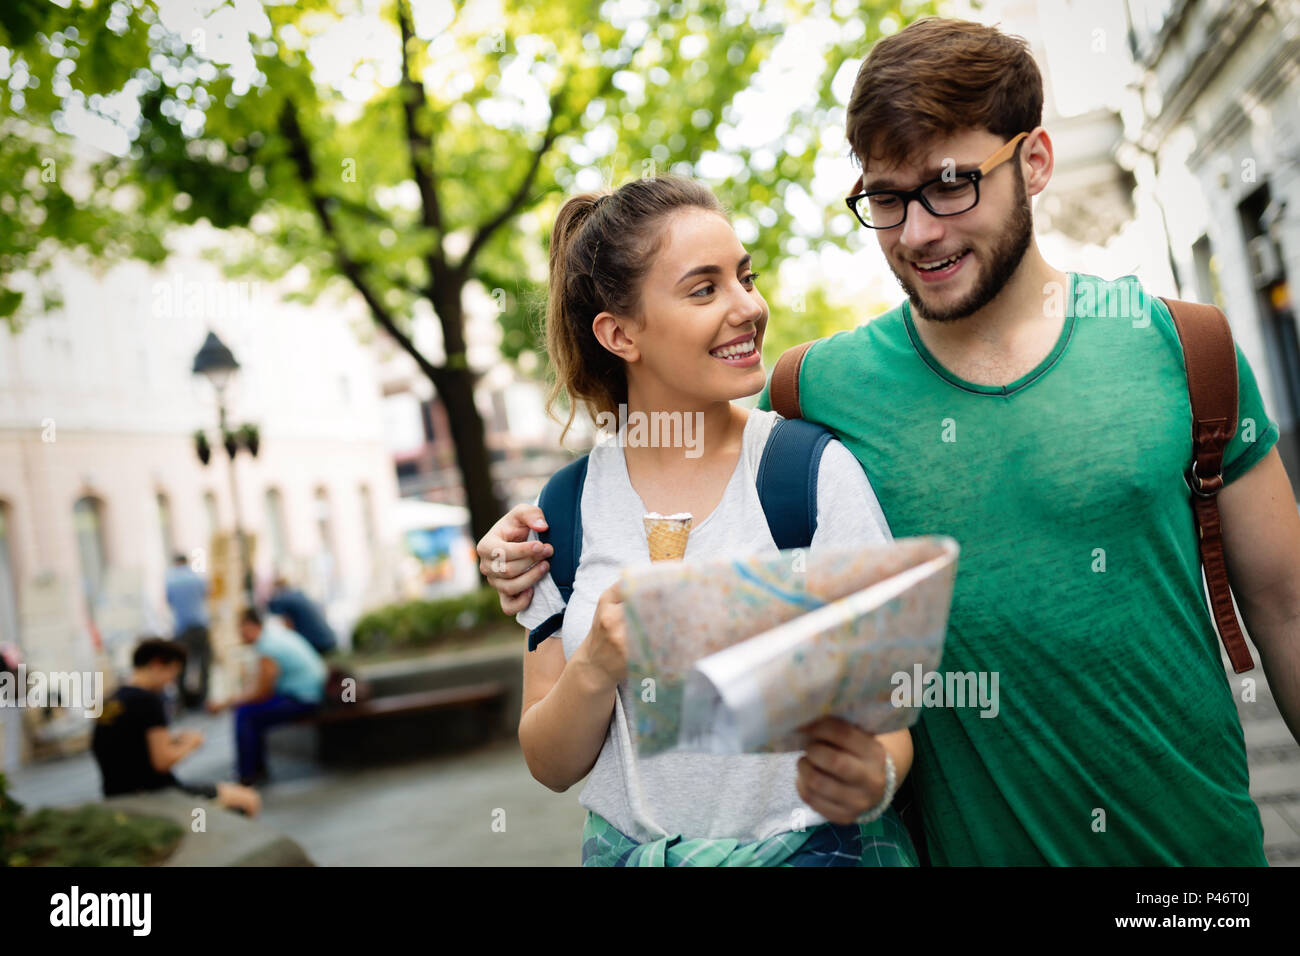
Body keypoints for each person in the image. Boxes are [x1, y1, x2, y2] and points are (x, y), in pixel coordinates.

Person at [479, 18, 1300, 865]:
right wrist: (524, 545)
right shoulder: (812, 393)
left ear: (1037, 162)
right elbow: (675, 442)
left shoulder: (1185, 348)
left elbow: (1288, 607)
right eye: (886, 198)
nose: (917, 232)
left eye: (951, 185)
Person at [487, 174, 916, 867]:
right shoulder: (562, 513)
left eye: (745, 278)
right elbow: (550, 762)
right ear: (619, 333)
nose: (748, 307)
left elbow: (889, 721)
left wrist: (875, 774)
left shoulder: (806, 474)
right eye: (705, 288)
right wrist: (596, 664)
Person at [91, 638, 260, 817]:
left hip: (115, 794)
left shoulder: (110, 700)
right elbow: (162, 762)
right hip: (152, 794)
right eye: (172, 673)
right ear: (157, 664)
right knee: (249, 799)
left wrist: (172, 739)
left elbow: (124, 744)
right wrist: (192, 743)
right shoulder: (147, 701)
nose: (171, 682)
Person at [208, 608, 327, 786]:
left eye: (240, 628)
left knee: (245, 714)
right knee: (251, 713)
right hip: (311, 694)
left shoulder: (267, 646)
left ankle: (247, 775)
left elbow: (262, 692)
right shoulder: (275, 635)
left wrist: (226, 703)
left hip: (303, 698)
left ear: (251, 626)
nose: (239, 634)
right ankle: (256, 770)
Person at [164, 552, 211, 710]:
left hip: (181, 627)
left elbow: (169, 601)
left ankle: (185, 700)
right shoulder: (197, 578)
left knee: (180, 664)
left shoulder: (171, 580)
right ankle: (202, 697)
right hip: (199, 625)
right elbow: (206, 595)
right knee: (203, 661)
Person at [268, 576, 337, 655]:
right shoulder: (298, 595)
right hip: (329, 640)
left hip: (319, 644)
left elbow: (284, 625)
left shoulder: (283, 598)